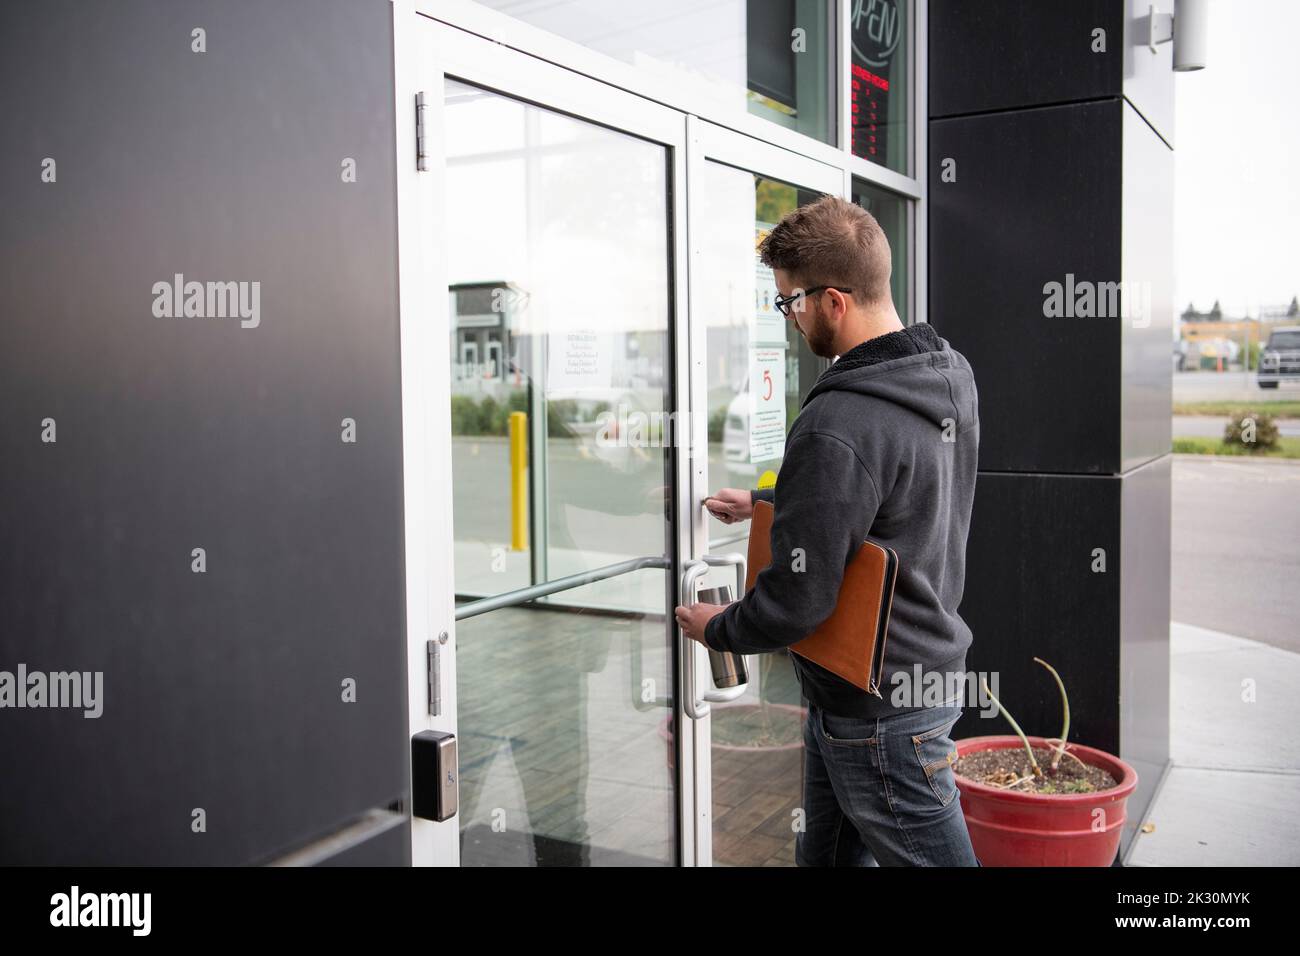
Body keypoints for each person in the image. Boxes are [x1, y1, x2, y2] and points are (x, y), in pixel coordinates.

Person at [674, 195, 981, 867]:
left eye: (789, 303)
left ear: (834, 303)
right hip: (904, 684)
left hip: (876, 719)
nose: (788, 320)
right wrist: (765, 501)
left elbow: (798, 600)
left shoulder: (838, 422)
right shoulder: (945, 377)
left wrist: (717, 628)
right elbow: (889, 494)